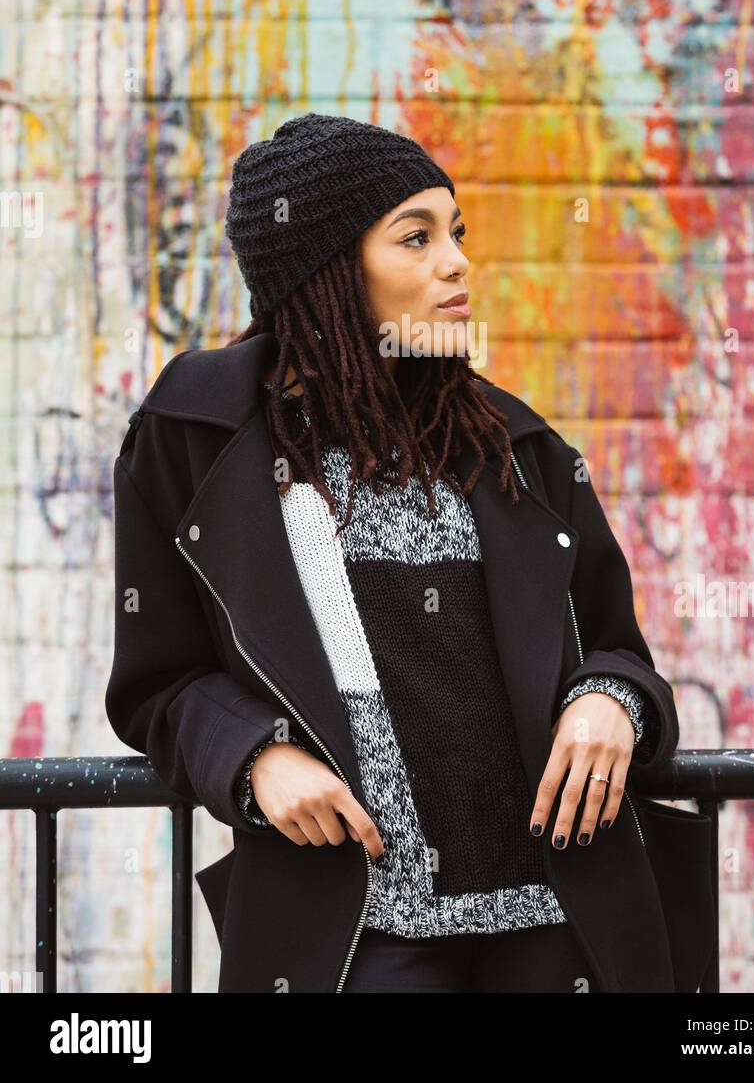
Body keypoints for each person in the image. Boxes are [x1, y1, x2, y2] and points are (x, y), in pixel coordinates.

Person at [106, 111, 690, 994]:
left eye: (456, 234)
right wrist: (255, 756)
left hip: (559, 917)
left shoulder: (513, 446)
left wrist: (612, 702)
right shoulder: (198, 440)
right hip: (356, 928)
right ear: (328, 271)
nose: (456, 264)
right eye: (416, 239)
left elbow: (618, 651)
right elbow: (159, 683)